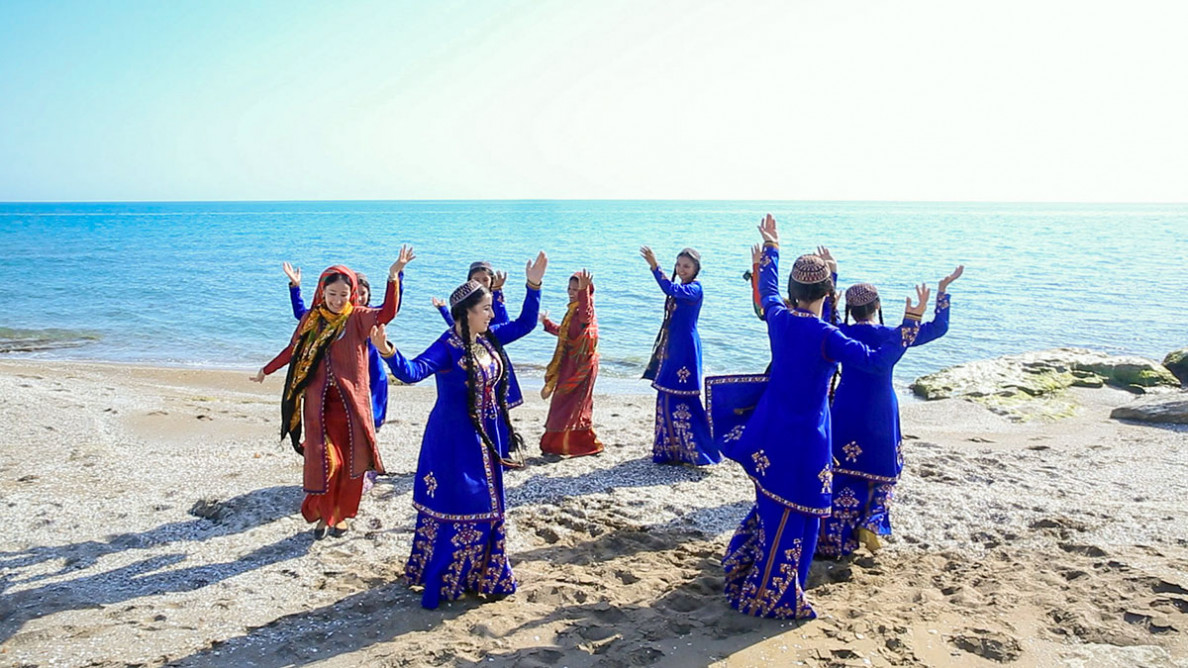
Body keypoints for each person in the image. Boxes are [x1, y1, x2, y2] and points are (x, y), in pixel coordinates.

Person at [721, 215, 927, 619]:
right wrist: (910, 323)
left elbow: (767, 290)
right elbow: (876, 361)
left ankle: (747, 568)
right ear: (829, 292)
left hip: (767, 430)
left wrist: (773, 248)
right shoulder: (829, 336)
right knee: (801, 513)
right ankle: (776, 593)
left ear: (793, 292)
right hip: (807, 440)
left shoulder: (778, 317)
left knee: (770, 503)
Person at [371, 252, 548, 609]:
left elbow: (526, 323)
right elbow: (413, 372)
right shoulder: (446, 347)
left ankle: (486, 575)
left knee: (490, 503)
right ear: (467, 313)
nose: (492, 315)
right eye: (486, 309)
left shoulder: (488, 338)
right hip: (453, 440)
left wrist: (534, 285)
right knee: (460, 503)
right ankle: (447, 578)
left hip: (488, 436)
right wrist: (386, 351)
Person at [252, 246, 415, 539]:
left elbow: (388, 312)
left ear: (352, 294)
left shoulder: (358, 318)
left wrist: (394, 275)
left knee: (351, 466)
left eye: (343, 294)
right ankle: (322, 513)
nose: (338, 300)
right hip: (319, 407)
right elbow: (292, 350)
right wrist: (267, 369)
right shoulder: (311, 320)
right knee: (327, 462)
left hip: (351, 407)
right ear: (322, 292)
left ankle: (339, 517)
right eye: (332, 294)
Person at [817, 266, 962, 558]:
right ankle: (872, 521)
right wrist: (943, 292)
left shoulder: (840, 333)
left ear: (850, 309)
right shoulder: (894, 335)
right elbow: (939, 328)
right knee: (884, 470)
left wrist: (832, 279)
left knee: (842, 470)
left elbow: (824, 319)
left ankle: (837, 536)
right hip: (881, 408)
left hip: (846, 405)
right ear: (878, 306)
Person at [284, 262, 394, 493]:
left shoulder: (363, 317)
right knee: (340, 434)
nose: (359, 298)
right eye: (357, 294)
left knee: (367, 427)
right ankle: (338, 478)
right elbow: (302, 315)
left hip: (372, 379)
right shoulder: (329, 317)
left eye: (363, 294)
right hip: (341, 385)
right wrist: (295, 287)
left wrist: (396, 276)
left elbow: (389, 310)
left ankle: (363, 472)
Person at [640, 245, 719, 466]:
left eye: (686, 266)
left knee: (684, 397)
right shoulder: (684, 287)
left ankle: (700, 451)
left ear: (696, 269)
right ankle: (669, 450)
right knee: (665, 393)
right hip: (673, 347)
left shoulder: (694, 289)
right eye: (678, 265)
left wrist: (655, 266)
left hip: (685, 349)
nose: (681, 269)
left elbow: (669, 288)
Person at [432, 261, 526, 421]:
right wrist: (443, 310)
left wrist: (498, 291)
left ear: (492, 281)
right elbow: (459, 326)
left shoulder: (494, 299)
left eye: (485, 279)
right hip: (472, 356)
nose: (481, 283)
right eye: (476, 280)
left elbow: (504, 325)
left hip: (493, 355)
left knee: (497, 404)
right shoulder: (467, 302)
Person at [538, 269, 603, 457]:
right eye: (570, 288)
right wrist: (547, 323)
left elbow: (586, 315)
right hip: (569, 365)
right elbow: (566, 333)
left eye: (576, 289)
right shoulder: (572, 311)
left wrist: (584, 292)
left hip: (583, 367)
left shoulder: (585, 312)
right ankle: (554, 445)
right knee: (561, 404)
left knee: (577, 406)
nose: (571, 292)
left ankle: (585, 445)